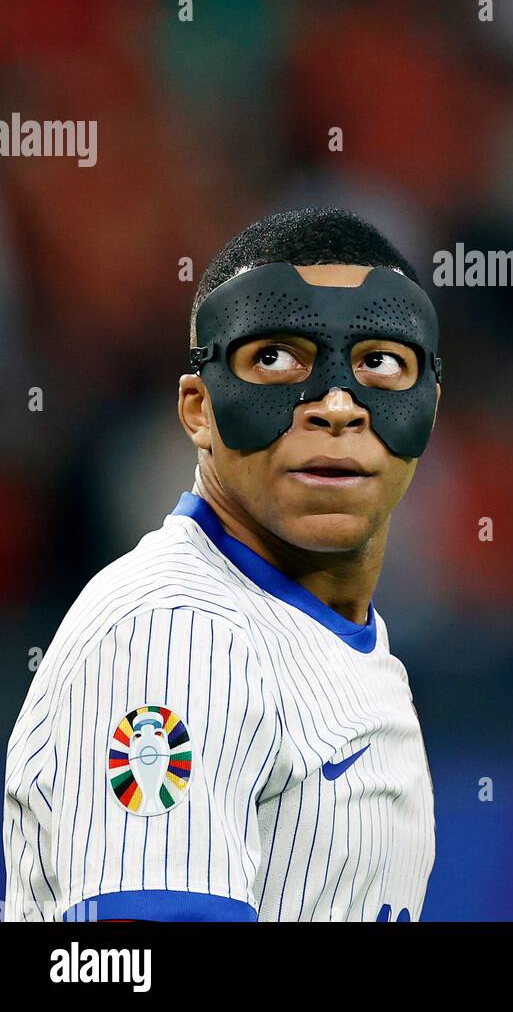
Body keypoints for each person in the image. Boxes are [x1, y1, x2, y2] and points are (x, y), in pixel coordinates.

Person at [2, 206, 441, 922]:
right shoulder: (177, 632)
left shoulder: (336, 642)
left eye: (380, 363)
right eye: (274, 359)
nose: (336, 405)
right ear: (198, 408)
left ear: (429, 408)